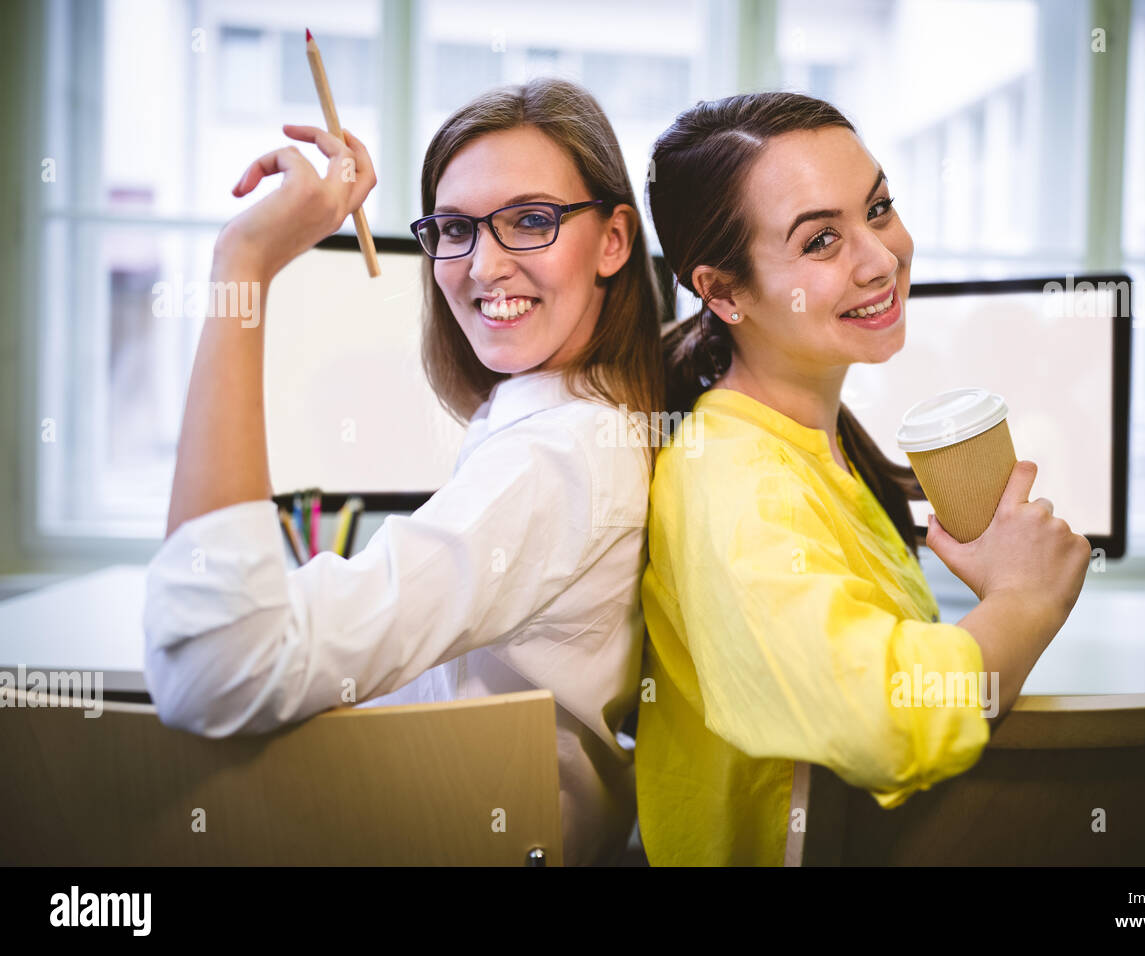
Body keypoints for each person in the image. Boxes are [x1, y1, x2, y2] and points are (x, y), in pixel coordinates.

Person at [142, 77, 665, 867]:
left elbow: (213, 670)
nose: (484, 266)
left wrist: (242, 263)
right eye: (456, 229)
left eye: (531, 220)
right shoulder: (555, 421)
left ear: (614, 240)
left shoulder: (556, 457)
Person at [635, 91, 1091, 866]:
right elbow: (886, 717)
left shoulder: (819, 438)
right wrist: (1026, 601)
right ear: (723, 292)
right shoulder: (733, 481)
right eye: (820, 241)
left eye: (878, 208)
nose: (882, 257)